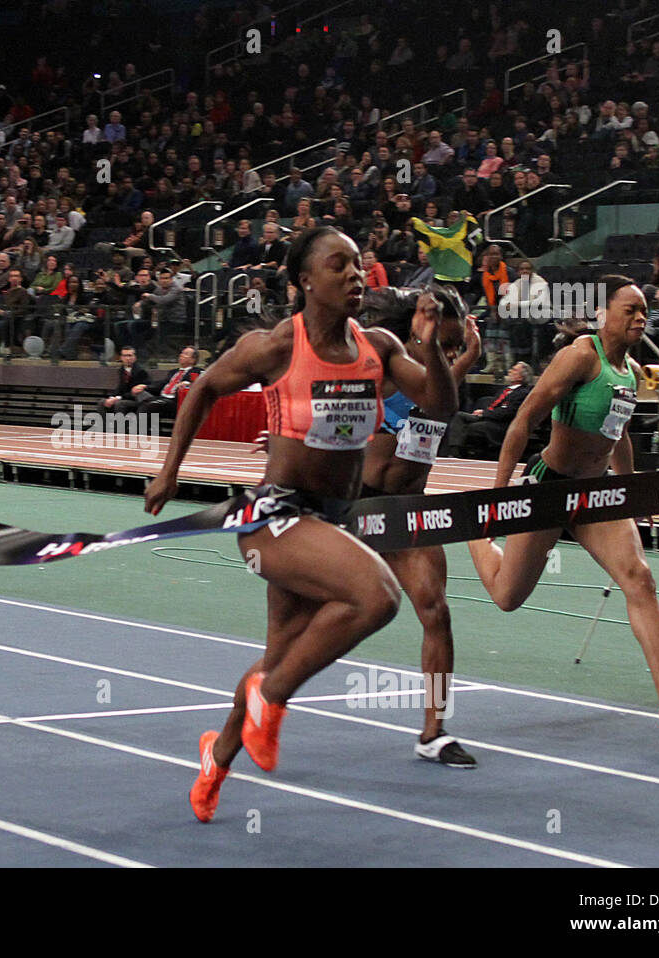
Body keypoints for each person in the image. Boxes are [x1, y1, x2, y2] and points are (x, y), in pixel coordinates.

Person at [144, 227, 456, 821]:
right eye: (338, 265)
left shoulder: (382, 347)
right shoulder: (276, 346)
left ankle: (219, 755)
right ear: (304, 281)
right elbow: (203, 388)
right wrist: (169, 470)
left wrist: (432, 345)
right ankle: (273, 698)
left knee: (281, 653)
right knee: (377, 597)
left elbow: (441, 405)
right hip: (276, 514)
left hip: (333, 520)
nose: (354, 275)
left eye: (359, 265)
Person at [466, 276, 659, 727]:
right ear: (604, 314)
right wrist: (498, 494)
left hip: (596, 493)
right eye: (631, 310)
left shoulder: (630, 371)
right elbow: (524, 422)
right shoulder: (581, 356)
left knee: (639, 578)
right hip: (550, 487)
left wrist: (630, 492)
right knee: (507, 596)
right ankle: (476, 538)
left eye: (644, 310)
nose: (641, 317)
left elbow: (618, 434)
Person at [357, 283, 482, 764]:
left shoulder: (444, 376)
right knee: (318, 616)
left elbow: (439, 398)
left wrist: (466, 357)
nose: (448, 353)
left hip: (410, 511)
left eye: (455, 346)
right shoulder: (386, 366)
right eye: (444, 342)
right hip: (359, 508)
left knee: (436, 612)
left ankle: (434, 732)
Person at [444, 362, 534, 458]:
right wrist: (483, 413)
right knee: (459, 416)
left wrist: (484, 413)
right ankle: (453, 450)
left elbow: (506, 412)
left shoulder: (523, 393)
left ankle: (462, 452)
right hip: (488, 416)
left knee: (473, 427)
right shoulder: (505, 390)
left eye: (514, 370)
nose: (510, 371)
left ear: (521, 377)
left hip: (500, 423)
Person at [97, 345, 149, 414]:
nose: (127, 358)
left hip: (136, 400)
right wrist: (112, 397)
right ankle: (104, 424)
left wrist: (118, 398)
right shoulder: (121, 370)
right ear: (121, 358)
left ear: (135, 357)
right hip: (124, 398)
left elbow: (135, 393)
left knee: (120, 404)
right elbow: (120, 388)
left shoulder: (140, 371)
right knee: (102, 402)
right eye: (124, 356)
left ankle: (120, 425)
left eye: (130, 355)